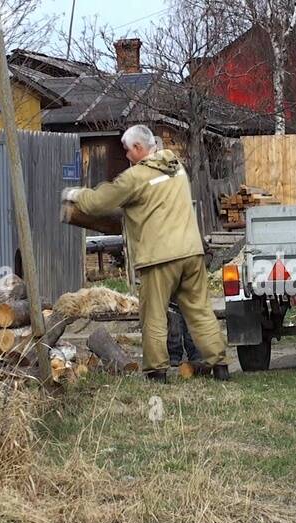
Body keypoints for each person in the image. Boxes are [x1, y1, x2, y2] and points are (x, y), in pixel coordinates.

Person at [63, 125, 229, 383]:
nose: (126, 156)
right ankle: (220, 366)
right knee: (201, 312)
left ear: (139, 148)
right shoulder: (177, 168)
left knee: (153, 315)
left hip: (160, 257)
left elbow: (100, 201)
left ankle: (157, 372)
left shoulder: (137, 177)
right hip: (191, 253)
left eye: (128, 150)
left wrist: (75, 194)